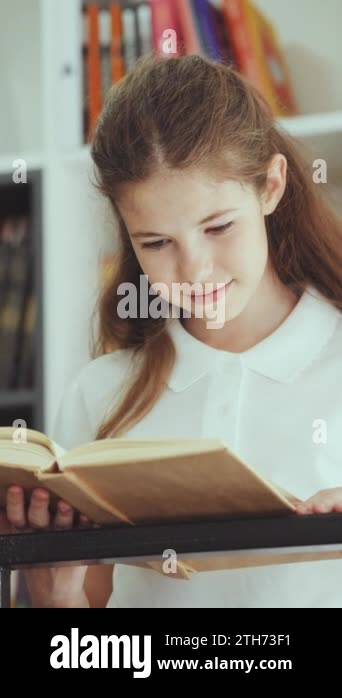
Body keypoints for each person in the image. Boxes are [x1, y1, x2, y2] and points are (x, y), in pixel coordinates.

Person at [3, 52, 342, 607]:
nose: (194, 271)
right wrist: (51, 593)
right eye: (156, 242)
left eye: (218, 227)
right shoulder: (100, 393)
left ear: (271, 186)